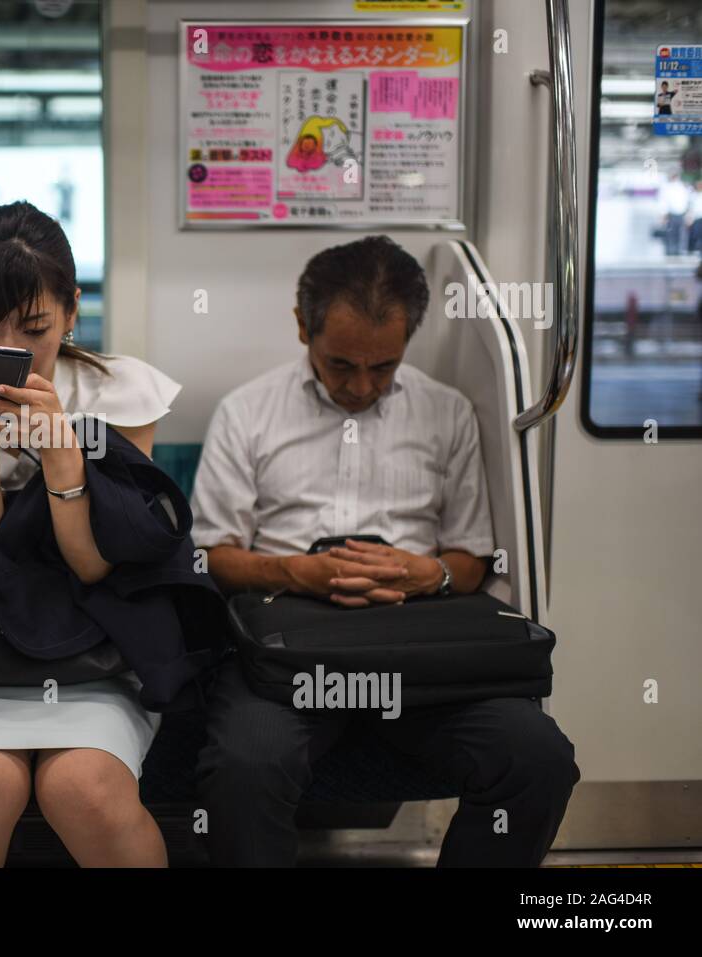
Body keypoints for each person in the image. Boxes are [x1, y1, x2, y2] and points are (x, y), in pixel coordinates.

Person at [190, 235, 579, 867]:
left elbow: (471, 558)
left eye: (384, 367)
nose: (363, 386)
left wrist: (430, 576)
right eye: (341, 365)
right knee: (244, 766)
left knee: (538, 759)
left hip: (420, 650)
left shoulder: (446, 413)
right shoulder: (248, 413)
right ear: (302, 327)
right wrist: (296, 572)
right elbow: (213, 556)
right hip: (294, 652)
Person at [0, 201, 182, 867]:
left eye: (35, 329)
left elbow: (92, 565)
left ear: (73, 310)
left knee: (88, 790)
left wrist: (63, 455)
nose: (13, 353)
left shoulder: (120, 393)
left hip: (94, 652)